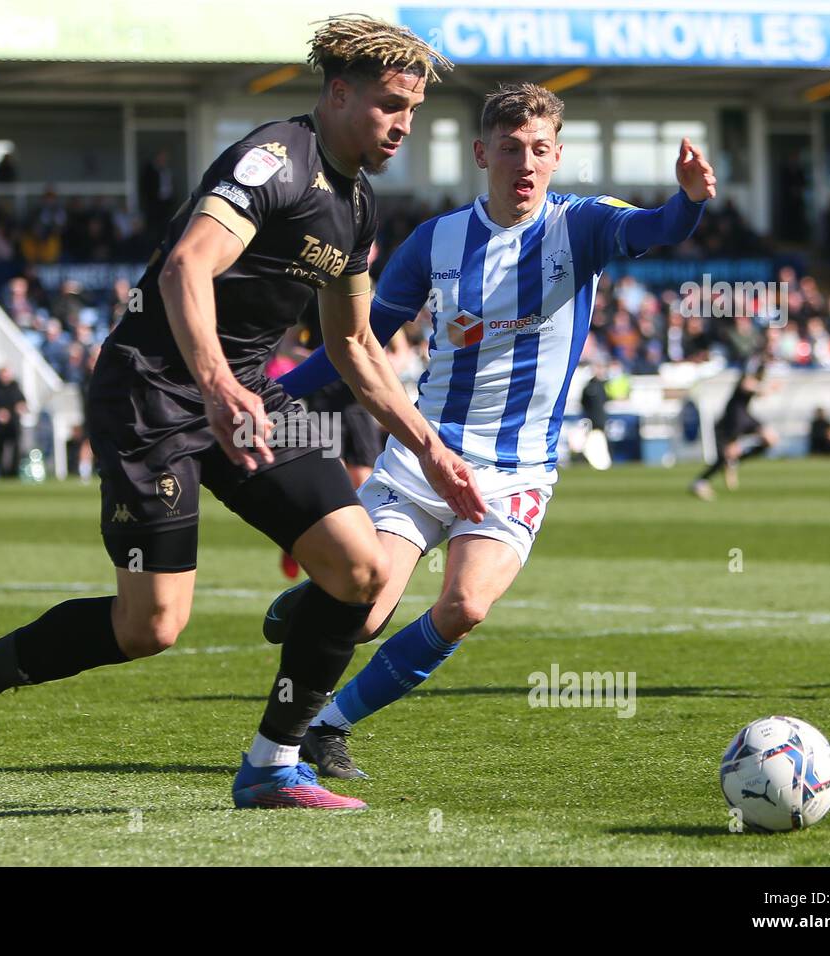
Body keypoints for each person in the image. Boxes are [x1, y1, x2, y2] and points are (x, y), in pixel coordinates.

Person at [0, 16, 475, 810]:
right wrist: (215, 386)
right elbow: (187, 266)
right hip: (153, 392)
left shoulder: (357, 206)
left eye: (412, 112)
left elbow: (353, 344)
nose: (403, 126)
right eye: (390, 105)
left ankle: (271, 765)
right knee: (152, 626)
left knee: (361, 568)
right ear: (340, 93)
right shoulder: (274, 160)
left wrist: (429, 449)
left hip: (244, 394)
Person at [262, 81, 714, 777]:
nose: (524, 165)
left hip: (518, 470)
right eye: (509, 150)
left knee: (466, 604)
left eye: (539, 150)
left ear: (558, 156)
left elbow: (653, 229)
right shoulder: (433, 242)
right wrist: (265, 397)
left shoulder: (582, 224)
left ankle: (325, 726)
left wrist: (688, 200)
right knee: (366, 612)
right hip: (425, 454)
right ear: (482, 153)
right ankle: (322, 600)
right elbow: (360, 340)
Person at [691, 356, 778, 500]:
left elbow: (759, 392)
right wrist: (768, 388)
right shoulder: (745, 379)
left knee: (770, 439)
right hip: (733, 422)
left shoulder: (753, 382)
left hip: (746, 418)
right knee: (727, 455)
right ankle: (700, 482)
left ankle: (732, 464)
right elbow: (751, 387)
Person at [0, 367, 27, 478]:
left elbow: (22, 403)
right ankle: (1, 474)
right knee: (0, 450)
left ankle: (14, 473)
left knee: (16, 449)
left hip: (14, 425)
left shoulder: (15, 388)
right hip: (0, 427)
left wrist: (21, 407)